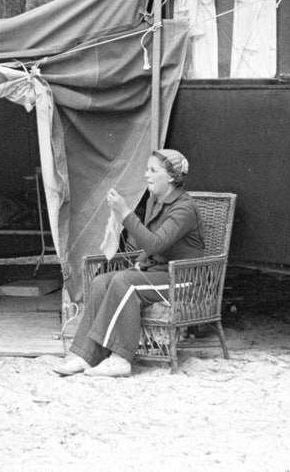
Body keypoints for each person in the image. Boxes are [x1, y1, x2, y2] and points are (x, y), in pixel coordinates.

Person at [53, 149, 204, 378]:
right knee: (102, 281)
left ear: (172, 177)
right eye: (146, 169)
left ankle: (120, 358)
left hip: (183, 279)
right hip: (158, 274)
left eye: (153, 170)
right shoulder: (156, 201)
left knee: (125, 282)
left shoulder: (184, 208)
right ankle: (85, 355)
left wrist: (125, 213)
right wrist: (141, 262)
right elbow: (152, 245)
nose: (146, 175)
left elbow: (155, 244)